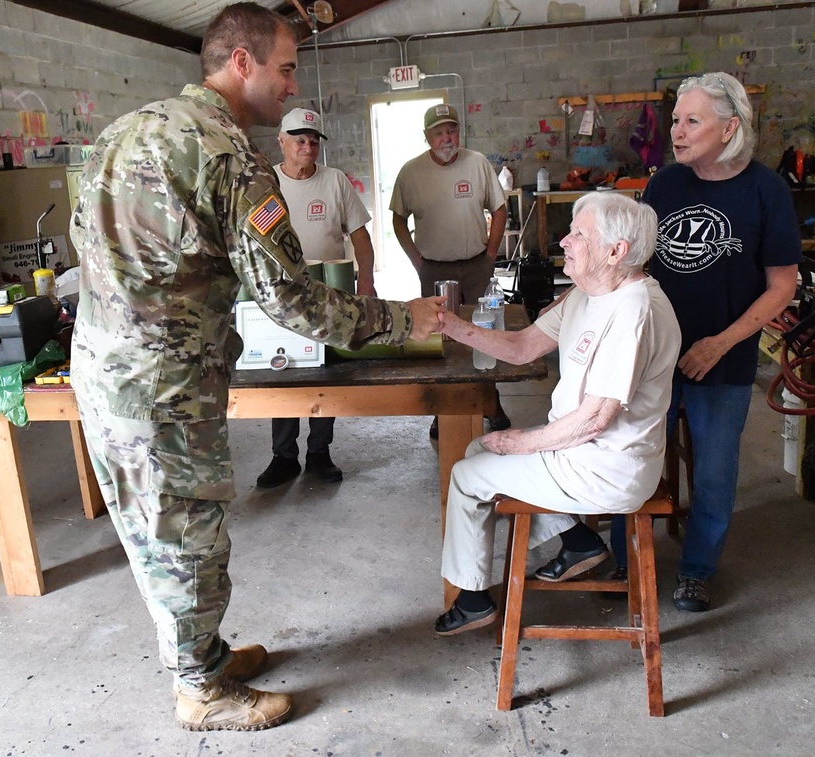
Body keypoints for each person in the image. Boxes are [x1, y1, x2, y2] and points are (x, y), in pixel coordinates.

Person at [69, 2, 442, 732]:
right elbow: (293, 301)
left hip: (106, 371)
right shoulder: (230, 157)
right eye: (287, 67)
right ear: (241, 62)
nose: (292, 84)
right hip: (166, 388)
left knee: (157, 528)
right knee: (185, 539)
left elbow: (89, 242)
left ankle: (203, 656)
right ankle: (199, 691)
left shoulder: (122, 132)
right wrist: (404, 319)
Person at [431, 192, 680, 635]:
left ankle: (472, 599)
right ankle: (578, 541)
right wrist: (453, 326)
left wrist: (519, 441)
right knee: (476, 449)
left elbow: (594, 419)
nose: (563, 241)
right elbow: (525, 346)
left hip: (607, 466)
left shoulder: (634, 310)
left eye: (578, 234)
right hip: (580, 450)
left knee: (468, 475)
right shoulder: (588, 293)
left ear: (615, 251)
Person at [608, 72, 801, 613]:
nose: (677, 130)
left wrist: (719, 343)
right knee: (633, 454)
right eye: (675, 120)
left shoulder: (766, 190)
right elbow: (636, 265)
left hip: (725, 357)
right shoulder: (665, 185)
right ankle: (624, 558)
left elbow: (782, 286)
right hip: (655, 357)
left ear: (730, 127)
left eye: (693, 120)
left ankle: (696, 569)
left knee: (714, 470)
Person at [256, 107, 377, 489]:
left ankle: (320, 453)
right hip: (281, 294)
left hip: (330, 293)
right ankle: (283, 456)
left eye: (313, 141)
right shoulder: (265, 183)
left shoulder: (336, 181)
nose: (307, 147)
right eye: (299, 140)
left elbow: (360, 237)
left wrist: (366, 283)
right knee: (284, 371)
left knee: (326, 373)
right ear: (281, 141)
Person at [390, 104, 511, 437]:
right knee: (440, 338)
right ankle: (442, 410)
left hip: (476, 266)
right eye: (439, 132)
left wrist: (490, 255)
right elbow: (398, 219)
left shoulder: (478, 164)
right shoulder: (411, 172)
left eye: (452, 130)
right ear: (427, 137)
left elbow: (499, 210)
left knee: (484, 337)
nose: (447, 137)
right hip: (433, 270)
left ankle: (491, 402)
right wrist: (416, 259)